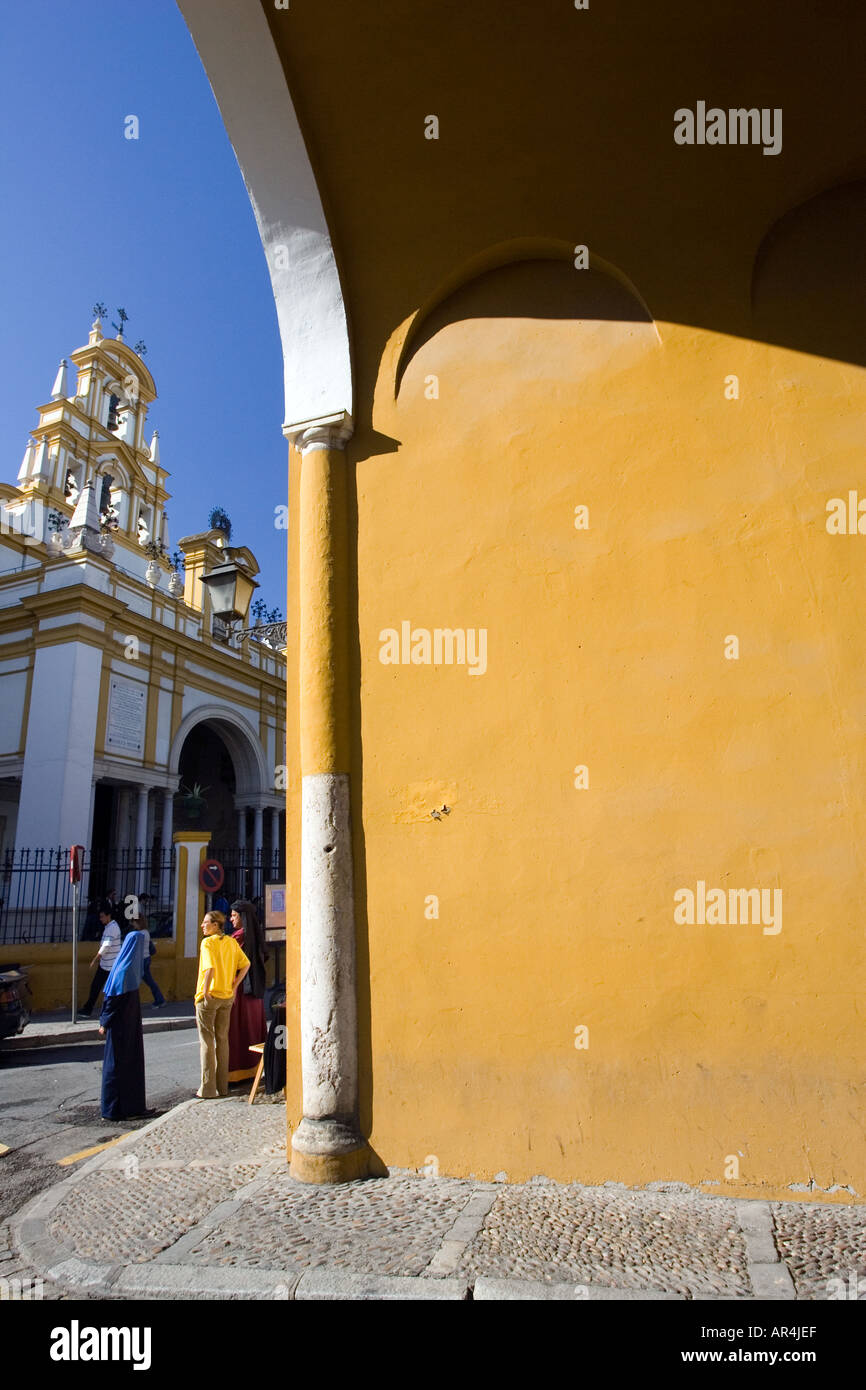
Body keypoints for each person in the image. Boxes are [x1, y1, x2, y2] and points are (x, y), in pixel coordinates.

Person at [194, 910, 249, 1099]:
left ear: (216, 925)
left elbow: (209, 968)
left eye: (206, 922)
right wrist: (234, 986)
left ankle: (208, 1089)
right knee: (223, 1040)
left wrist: (206, 990)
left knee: (207, 1041)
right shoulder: (231, 942)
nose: (202, 925)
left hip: (209, 997)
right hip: (226, 997)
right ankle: (223, 1087)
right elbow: (246, 964)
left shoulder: (207, 943)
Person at [98, 918, 149, 1120]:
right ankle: (116, 1109)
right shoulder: (125, 970)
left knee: (128, 1065)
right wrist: (104, 1021)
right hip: (121, 1028)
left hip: (128, 1026)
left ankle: (132, 1107)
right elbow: (112, 999)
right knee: (119, 1067)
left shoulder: (128, 967)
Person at [227, 899, 268, 1082]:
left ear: (243, 918)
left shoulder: (237, 938)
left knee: (238, 1029)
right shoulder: (254, 936)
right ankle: (254, 1069)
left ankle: (237, 1071)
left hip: (242, 988)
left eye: (234, 916)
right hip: (255, 989)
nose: (231, 919)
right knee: (252, 1028)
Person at [80, 903, 122, 1017]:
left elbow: (106, 946)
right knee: (97, 987)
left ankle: (98, 1010)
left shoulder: (112, 928)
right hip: (106, 964)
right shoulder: (109, 927)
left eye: (102, 916)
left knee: (105, 989)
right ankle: (88, 1009)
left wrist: (95, 959)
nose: (101, 919)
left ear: (108, 916)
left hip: (110, 965)